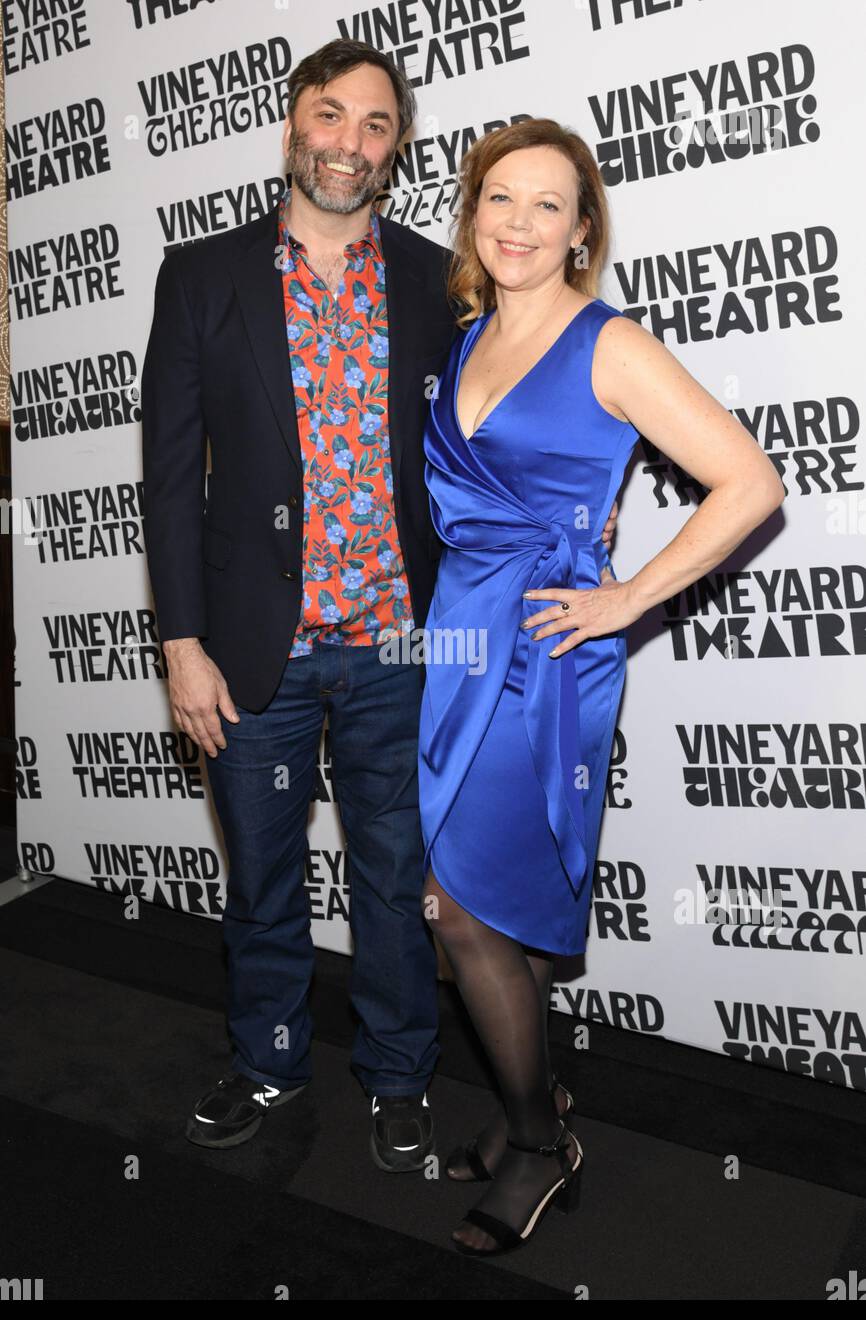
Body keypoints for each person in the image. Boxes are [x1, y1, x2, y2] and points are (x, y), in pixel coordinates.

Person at [140, 38, 623, 1171]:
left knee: (397, 879)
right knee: (259, 874)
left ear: (392, 146)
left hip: (410, 644)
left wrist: (577, 522)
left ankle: (400, 1077)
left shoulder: (434, 279)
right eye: (328, 115)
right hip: (253, 647)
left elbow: (501, 425)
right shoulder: (201, 275)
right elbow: (168, 471)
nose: (346, 143)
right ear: (292, 125)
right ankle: (265, 1059)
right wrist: (180, 641)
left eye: (372, 124)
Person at [418, 117, 785, 1256]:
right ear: (473, 214)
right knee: (474, 903)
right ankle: (535, 1104)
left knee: (468, 907)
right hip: (455, 642)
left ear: (582, 230)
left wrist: (626, 598)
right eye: (499, 198)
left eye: (546, 204)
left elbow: (748, 482)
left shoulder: (607, 343)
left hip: (541, 659)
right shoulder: (466, 333)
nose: (518, 222)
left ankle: (538, 1143)